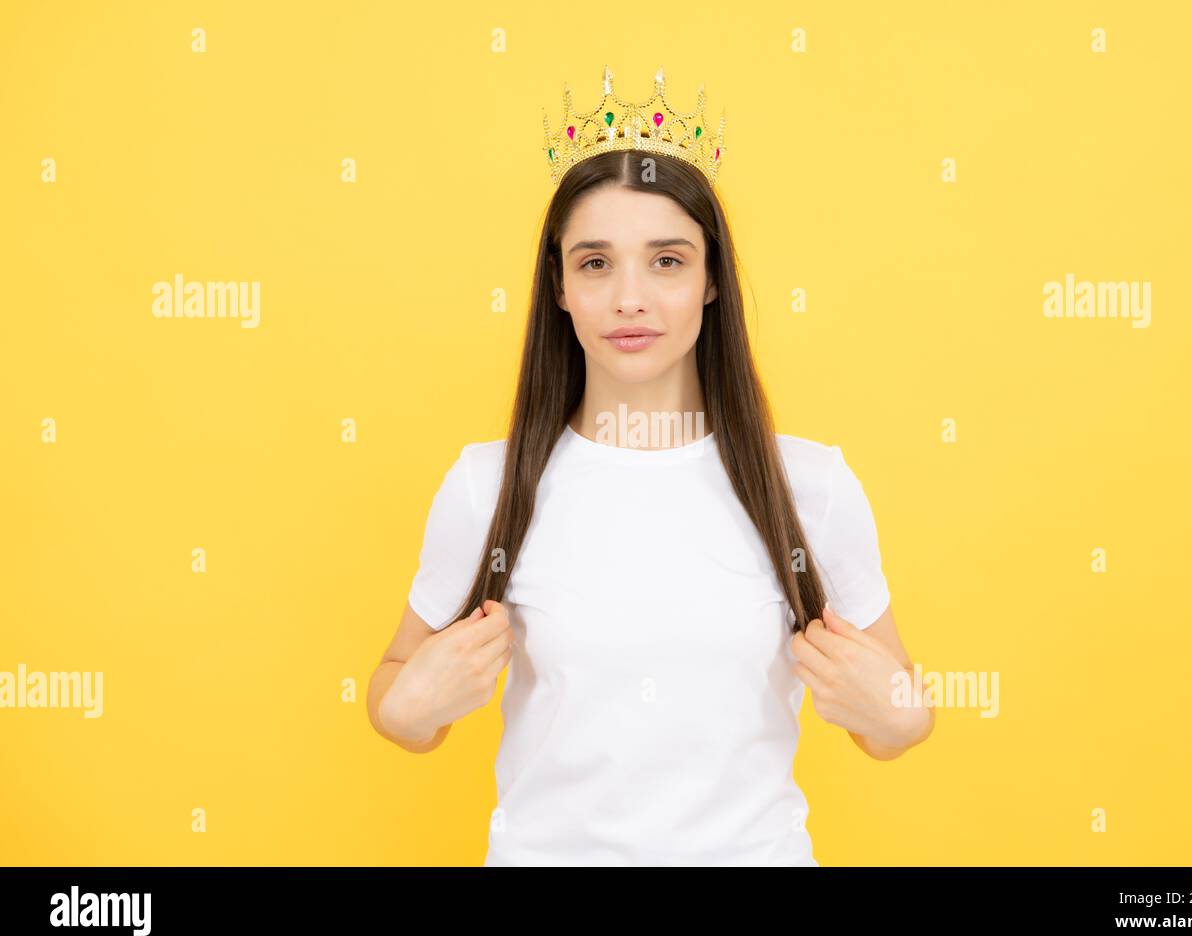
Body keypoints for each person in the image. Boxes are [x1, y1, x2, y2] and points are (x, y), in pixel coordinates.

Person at [367, 67, 933, 866]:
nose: (629, 298)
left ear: (710, 283)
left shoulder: (812, 489)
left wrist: (901, 714)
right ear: (559, 288)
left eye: (666, 261)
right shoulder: (487, 488)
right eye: (595, 264)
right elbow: (395, 696)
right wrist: (408, 707)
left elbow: (899, 719)